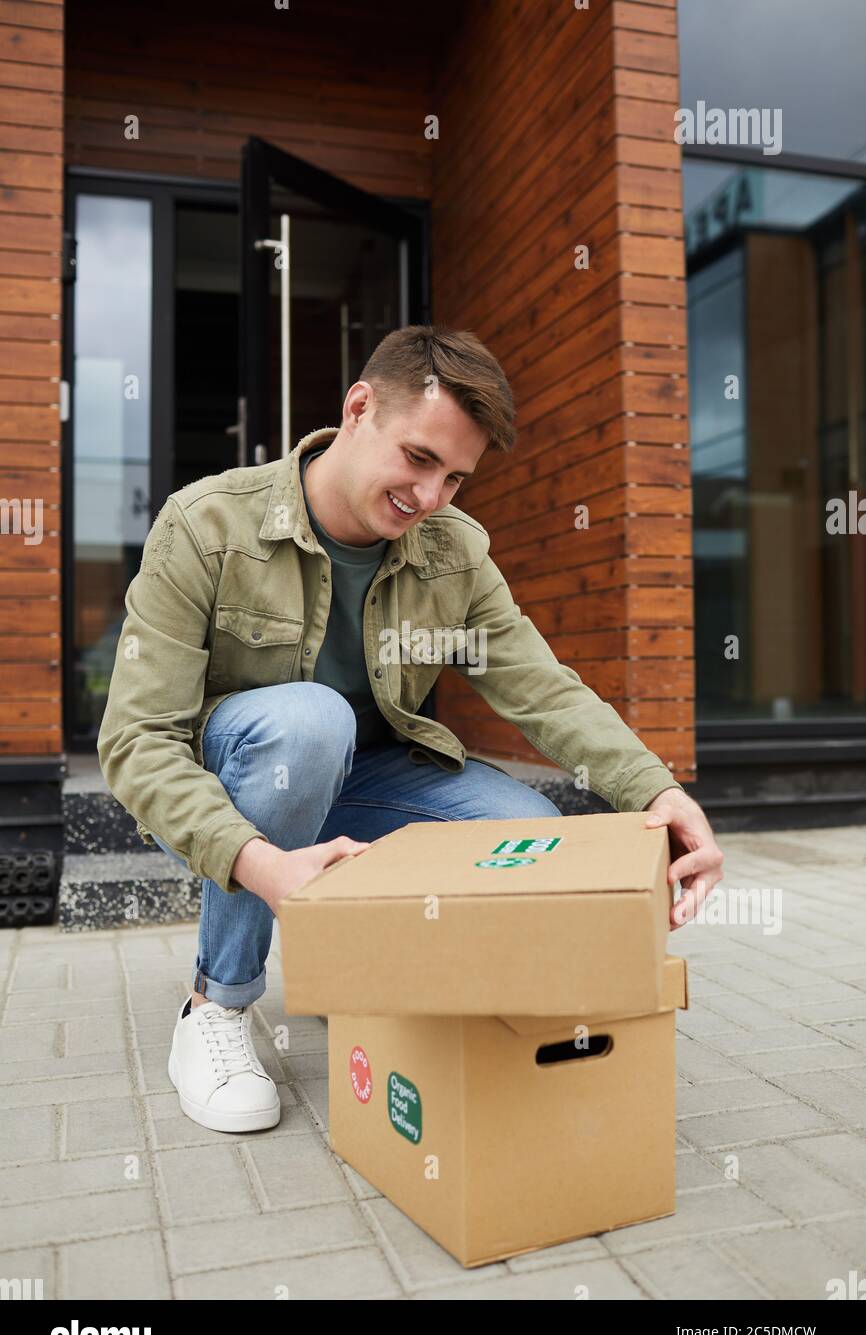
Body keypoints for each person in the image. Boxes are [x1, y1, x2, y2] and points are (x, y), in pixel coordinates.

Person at [97, 325, 723, 1134]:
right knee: (308, 725)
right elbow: (137, 739)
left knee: (527, 831)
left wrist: (660, 791)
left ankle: (360, 976)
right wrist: (263, 863)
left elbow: (543, 690)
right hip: (243, 780)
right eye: (419, 459)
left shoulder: (453, 553)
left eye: (455, 478)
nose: (429, 498)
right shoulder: (206, 525)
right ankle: (216, 1006)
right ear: (359, 408)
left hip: (369, 779)